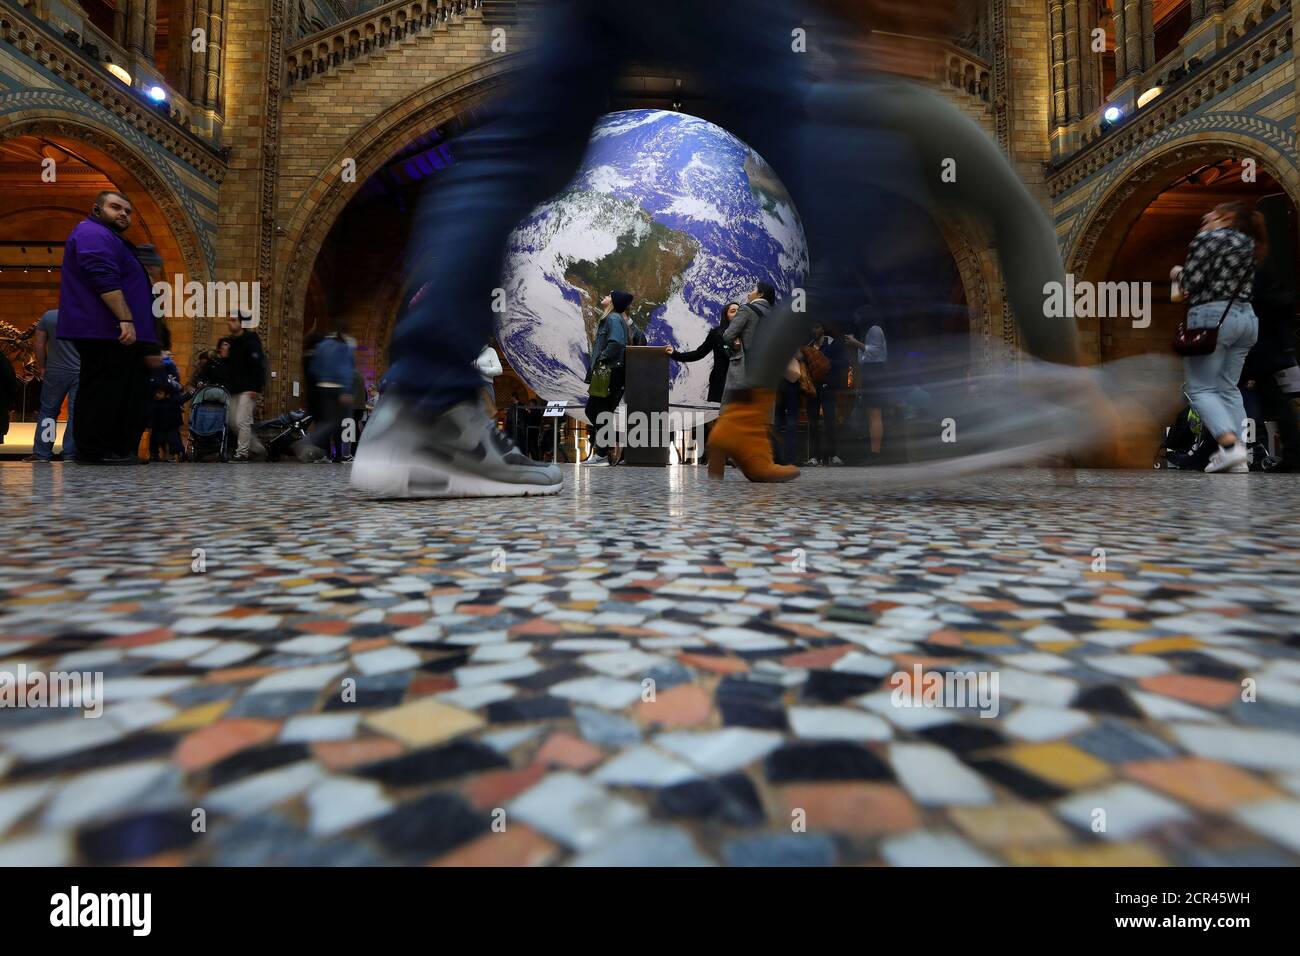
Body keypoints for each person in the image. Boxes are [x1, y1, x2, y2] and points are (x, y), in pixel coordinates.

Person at [56, 190, 157, 464]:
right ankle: (94, 451)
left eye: (128, 210)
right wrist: (125, 318)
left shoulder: (111, 238)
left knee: (119, 391)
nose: (124, 213)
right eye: (116, 207)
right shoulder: (93, 233)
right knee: (103, 391)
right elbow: (102, 276)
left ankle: (113, 449)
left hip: (115, 331)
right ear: (98, 209)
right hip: (104, 329)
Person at [1171, 201, 1264, 474]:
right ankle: (1240, 458)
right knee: (1227, 388)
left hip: (1212, 317)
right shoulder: (1248, 243)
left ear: (1227, 216)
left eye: (1210, 215)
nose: (1205, 218)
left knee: (1199, 388)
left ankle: (1229, 445)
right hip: (1246, 318)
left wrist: (1177, 273)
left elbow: (1190, 283)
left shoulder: (1208, 238)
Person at [710, 281, 797, 480]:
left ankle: (722, 456)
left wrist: (735, 344)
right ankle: (760, 462)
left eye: (752, 289)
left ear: (760, 293)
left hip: (744, 370)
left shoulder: (747, 310)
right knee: (761, 417)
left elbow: (728, 335)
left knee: (732, 412)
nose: (749, 293)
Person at [1242, 245, 1299, 472]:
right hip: (1270, 345)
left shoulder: (1253, 269)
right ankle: (1293, 452)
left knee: (1274, 400)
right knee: (1274, 401)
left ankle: (1294, 452)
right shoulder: (1263, 265)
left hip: (1263, 345)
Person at [670, 301, 737, 464]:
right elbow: (699, 353)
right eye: (733, 311)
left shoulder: (747, 335)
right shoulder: (716, 334)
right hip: (719, 382)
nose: (736, 314)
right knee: (716, 419)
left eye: (738, 311)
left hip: (738, 382)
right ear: (725, 315)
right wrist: (675, 354)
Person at [583, 290, 633, 466]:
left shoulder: (612, 319)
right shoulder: (615, 318)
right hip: (608, 372)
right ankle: (610, 443)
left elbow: (616, 343)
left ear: (613, 302)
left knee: (600, 411)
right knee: (594, 410)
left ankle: (603, 454)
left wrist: (602, 358)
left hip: (610, 372)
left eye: (608, 295)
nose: (604, 296)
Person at [26, 308, 80, 462]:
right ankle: (70, 453)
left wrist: (42, 367)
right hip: (81, 372)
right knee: (75, 414)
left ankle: (42, 453)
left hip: (55, 371)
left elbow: (39, 344)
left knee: (48, 412)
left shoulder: (49, 316)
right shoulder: (87, 314)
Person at [844, 311, 888, 460]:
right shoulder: (868, 331)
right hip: (870, 372)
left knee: (875, 413)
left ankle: (876, 452)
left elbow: (874, 352)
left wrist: (854, 342)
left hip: (875, 371)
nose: (855, 319)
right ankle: (873, 450)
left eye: (857, 316)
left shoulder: (875, 329)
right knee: (871, 413)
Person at [223, 312, 267, 461]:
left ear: (241, 323)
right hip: (235, 389)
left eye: (233, 320)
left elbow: (259, 365)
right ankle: (258, 449)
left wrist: (256, 387)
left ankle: (242, 453)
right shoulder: (231, 343)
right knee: (233, 422)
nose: (229, 323)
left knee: (242, 421)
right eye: (228, 320)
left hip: (248, 389)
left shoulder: (251, 342)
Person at [308, 329, 355, 461]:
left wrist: (322, 381)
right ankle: (315, 441)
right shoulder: (344, 347)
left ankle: (326, 452)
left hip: (323, 388)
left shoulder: (322, 346)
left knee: (328, 420)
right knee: (337, 423)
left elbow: (314, 368)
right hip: (338, 390)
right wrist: (346, 390)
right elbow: (347, 370)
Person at [800, 323, 843, 466]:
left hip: (828, 387)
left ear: (823, 329)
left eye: (817, 327)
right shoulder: (808, 346)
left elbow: (843, 363)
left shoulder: (833, 344)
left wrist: (826, 362)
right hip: (813, 388)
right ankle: (813, 457)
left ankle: (832, 455)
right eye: (812, 328)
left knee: (830, 421)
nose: (814, 330)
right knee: (812, 423)